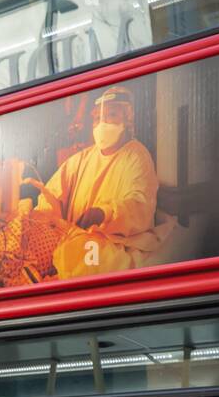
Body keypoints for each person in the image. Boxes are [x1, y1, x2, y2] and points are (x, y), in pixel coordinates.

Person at [34, 85, 164, 278]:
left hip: (114, 244)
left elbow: (139, 204)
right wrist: (44, 222)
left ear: (127, 119)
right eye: (97, 118)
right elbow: (51, 194)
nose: (102, 124)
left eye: (111, 115)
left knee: (87, 266)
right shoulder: (82, 158)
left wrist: (104, 213)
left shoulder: (136, 155)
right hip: (73, 237)